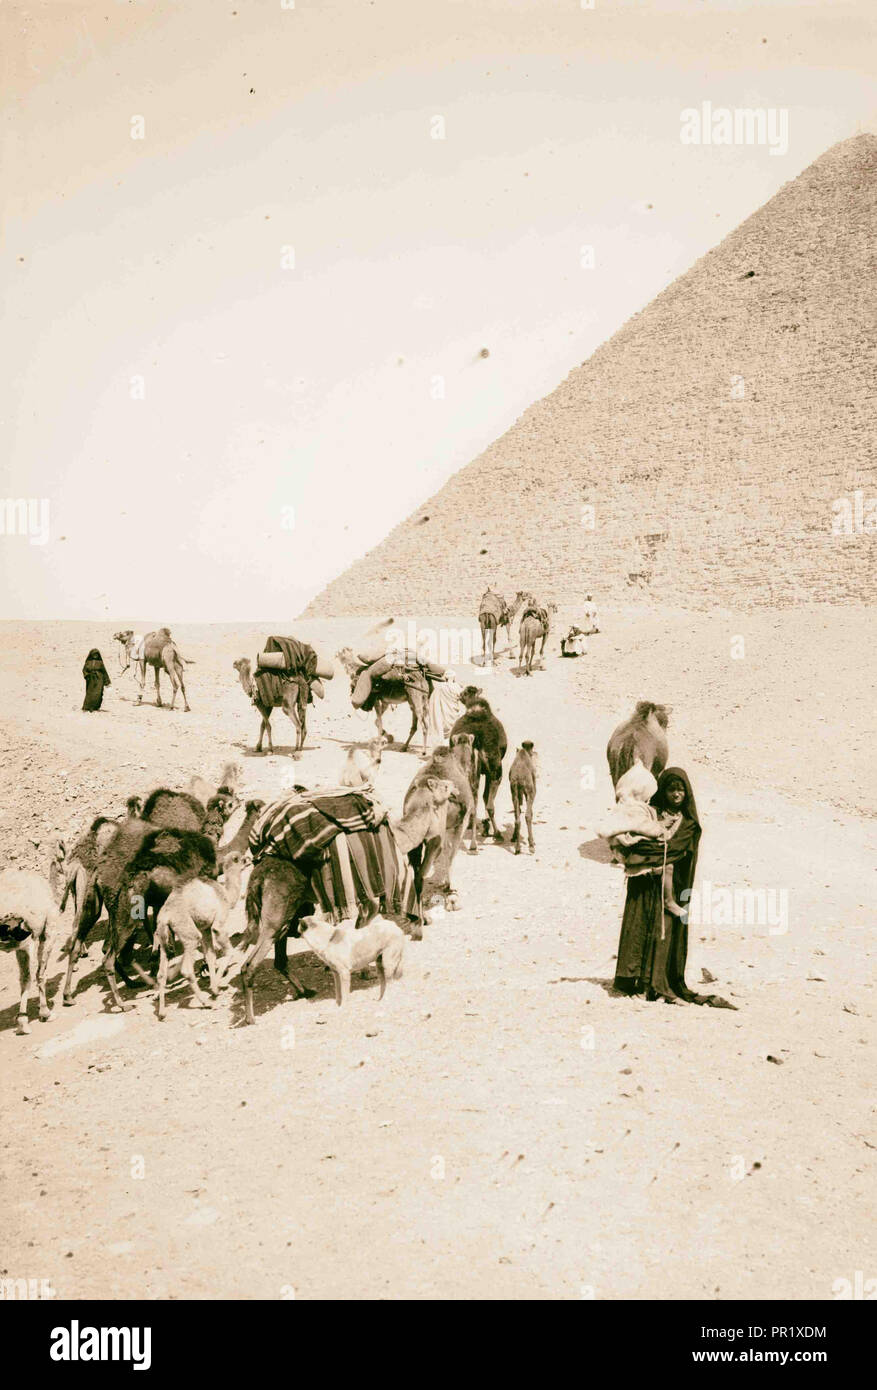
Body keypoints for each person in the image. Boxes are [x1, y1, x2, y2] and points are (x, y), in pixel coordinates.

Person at [612, 767, 735, 1007]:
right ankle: (635, 983)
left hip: (672, 887)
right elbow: (636, 842)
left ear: (686, 793)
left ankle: (657, 985)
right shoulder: (650, 814)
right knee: (640, 929)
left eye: (680, 790)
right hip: (645, 883)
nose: (676, 794)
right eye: (671, 789)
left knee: (663, 933)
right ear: (663, 791)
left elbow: (676, 850)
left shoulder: (688, 824)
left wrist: (653, 855)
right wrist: (648, 855)